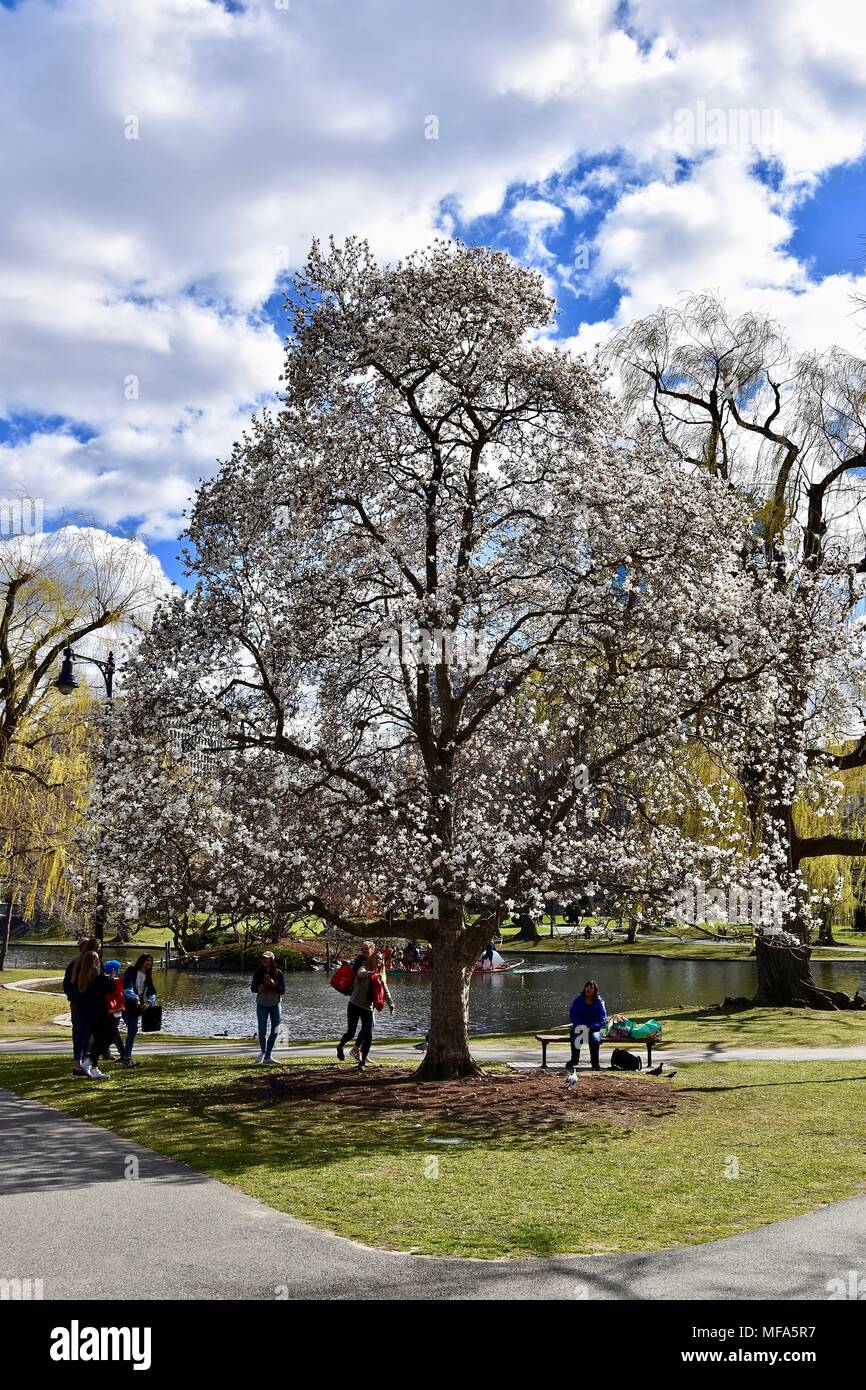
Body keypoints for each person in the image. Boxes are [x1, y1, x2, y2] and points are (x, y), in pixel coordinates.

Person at [337, 948, 394, 1070]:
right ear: (371, 958)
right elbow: (360, 974)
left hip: (368, 1007)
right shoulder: (364, 968)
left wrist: (391, 1004)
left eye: (380, 959)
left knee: (368, 1035)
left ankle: (362, 1062)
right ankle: (340, 1047)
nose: (378, 960)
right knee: (351, 1032)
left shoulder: (381, 974)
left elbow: (386, 990)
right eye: (376, 958)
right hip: (354, 1004)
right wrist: (371, 974)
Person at [69, 950, 114, 1080]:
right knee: (105, 1037)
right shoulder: (99, 978)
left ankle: (92, 1066)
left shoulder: (80, 978)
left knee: (86, 1039)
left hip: (84, 1012)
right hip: (98, 1013)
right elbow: (110, 988)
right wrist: (110, 978)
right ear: (95, 962)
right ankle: (90, 1062)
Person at [64, 936, 102, 1077]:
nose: (100, 949)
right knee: (81, 1033)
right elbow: (68, 985)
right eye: (98, 947)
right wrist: (75, 999)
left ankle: (83, 1063)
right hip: (81, 1005)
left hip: (85, 1004)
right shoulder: (76, 964)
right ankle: (79, 1064)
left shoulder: (97, 963)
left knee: (85, 1034)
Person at [121, 955, 157, 1067]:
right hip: (127, 1004)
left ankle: (126, 1056)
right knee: (133, 1028)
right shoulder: (131, 971)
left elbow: (151, 991)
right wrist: (135, 998)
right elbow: (126, 987)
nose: (149, 962)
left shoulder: (148, 976)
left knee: (132, 1030)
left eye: (151, 961)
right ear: (141, 961)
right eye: (147, 960)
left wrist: (149, 1003)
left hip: (136, 1008)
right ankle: (126, 1058)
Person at [250, 950, 286, 1063]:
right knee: (262, 1031)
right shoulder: (258, 973)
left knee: (275, 1030)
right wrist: (259, 988)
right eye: (263, 958)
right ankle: (263, 1051)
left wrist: (273, 984)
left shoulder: (279, 973)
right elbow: (252, 989)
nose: (264, 960)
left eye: (267, 959)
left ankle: (268, 1056)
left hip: (275, 1003)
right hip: (262, 1004)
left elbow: (282, 990)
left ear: (272, 960)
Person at [568, 979, 607, 1072]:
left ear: (595, 991)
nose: (588, 989)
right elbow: (573, 1014)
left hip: (595, 1029)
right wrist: (580, 1025)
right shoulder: (578, 1000)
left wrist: (592, 1027)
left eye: (591, 988)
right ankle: (574, 1060)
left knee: (594, 1039)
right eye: (587, 987)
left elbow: (602, 1019)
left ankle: (595, 1063)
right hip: (580, 1027)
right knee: (575, 1034)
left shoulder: (599, 1002)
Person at [101, 960, 127, 1065]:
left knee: (111, 1033)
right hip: (113, 1010)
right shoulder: (114, 981)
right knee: (114, 1033)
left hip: (112, 1010)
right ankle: (123, 1054)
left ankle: (104, 1051)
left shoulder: (108, 980)